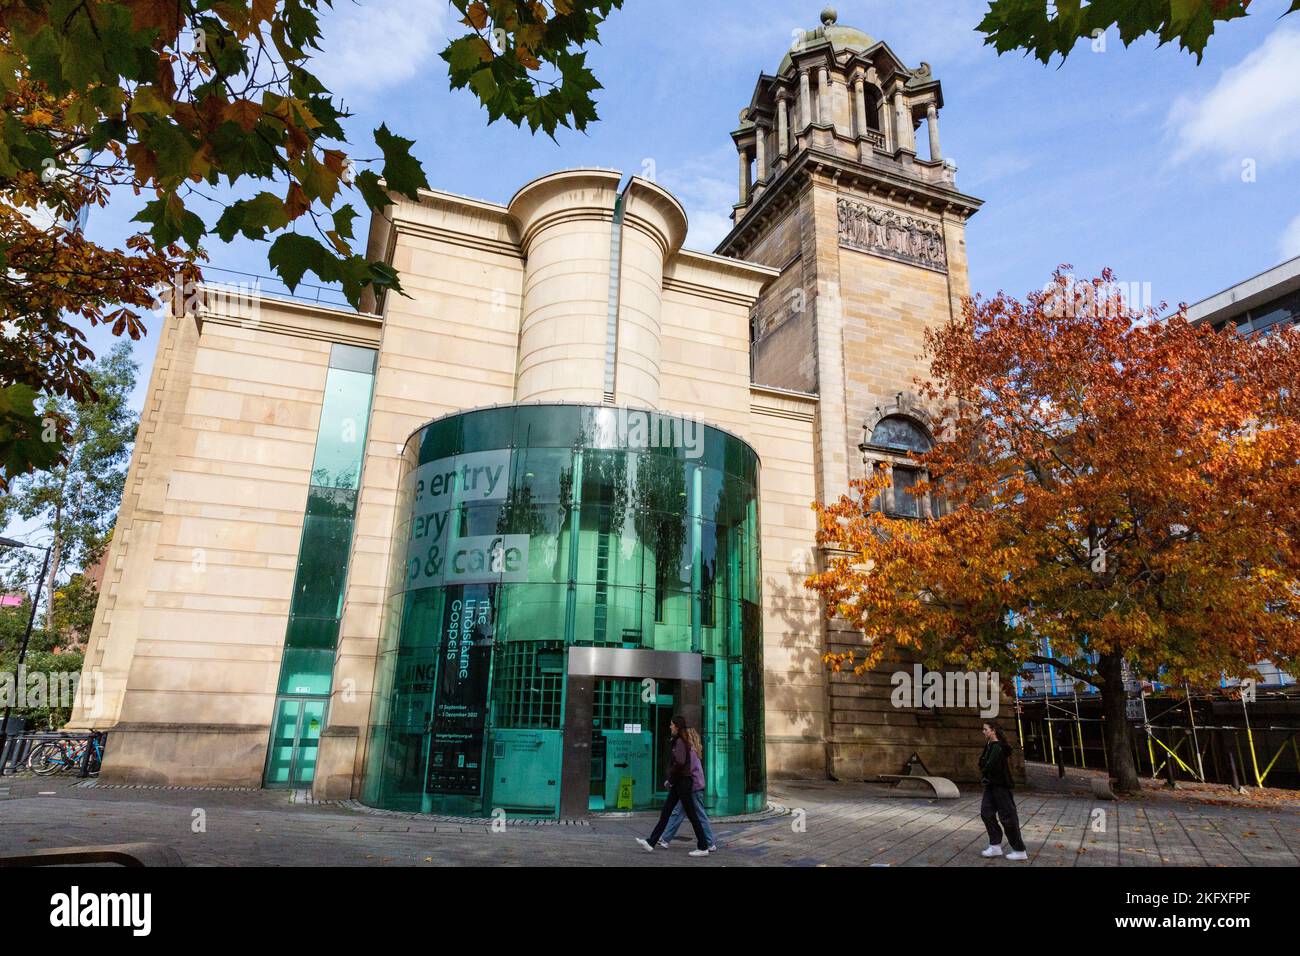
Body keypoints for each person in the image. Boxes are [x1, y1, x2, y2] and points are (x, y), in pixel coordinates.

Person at [636, 716, 711, 856]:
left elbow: (680, 763)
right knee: (666, 813)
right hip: (680, 783)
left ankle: (703, 846)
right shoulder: (681, 741)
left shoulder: (680, 742)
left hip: (682, 783)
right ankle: (651, 842)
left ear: (676, 726)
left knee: (692, 815)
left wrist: (670, 779)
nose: (670, 727)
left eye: (671, 725)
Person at [657, 727, 717, 851]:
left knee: (697, 815)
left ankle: (710, 843)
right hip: (693, 788)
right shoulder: (694, 752)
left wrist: (671, 783)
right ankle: (665, 839)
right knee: (679, 813)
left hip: (692, 789)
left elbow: (684, 773)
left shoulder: (690, 753)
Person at [978, 720, 1028, 861]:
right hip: (991, 785)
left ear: (993, 730)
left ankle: (1019, 850)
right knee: (986, 813)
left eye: (985, 729)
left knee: (1007, 817)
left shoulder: (998, 747)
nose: (983, 732)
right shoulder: (989, 745)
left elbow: (988, 765)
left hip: (1001, 785)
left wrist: (984, 766)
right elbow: (981, 763)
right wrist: (984, 765)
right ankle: (995, 846)